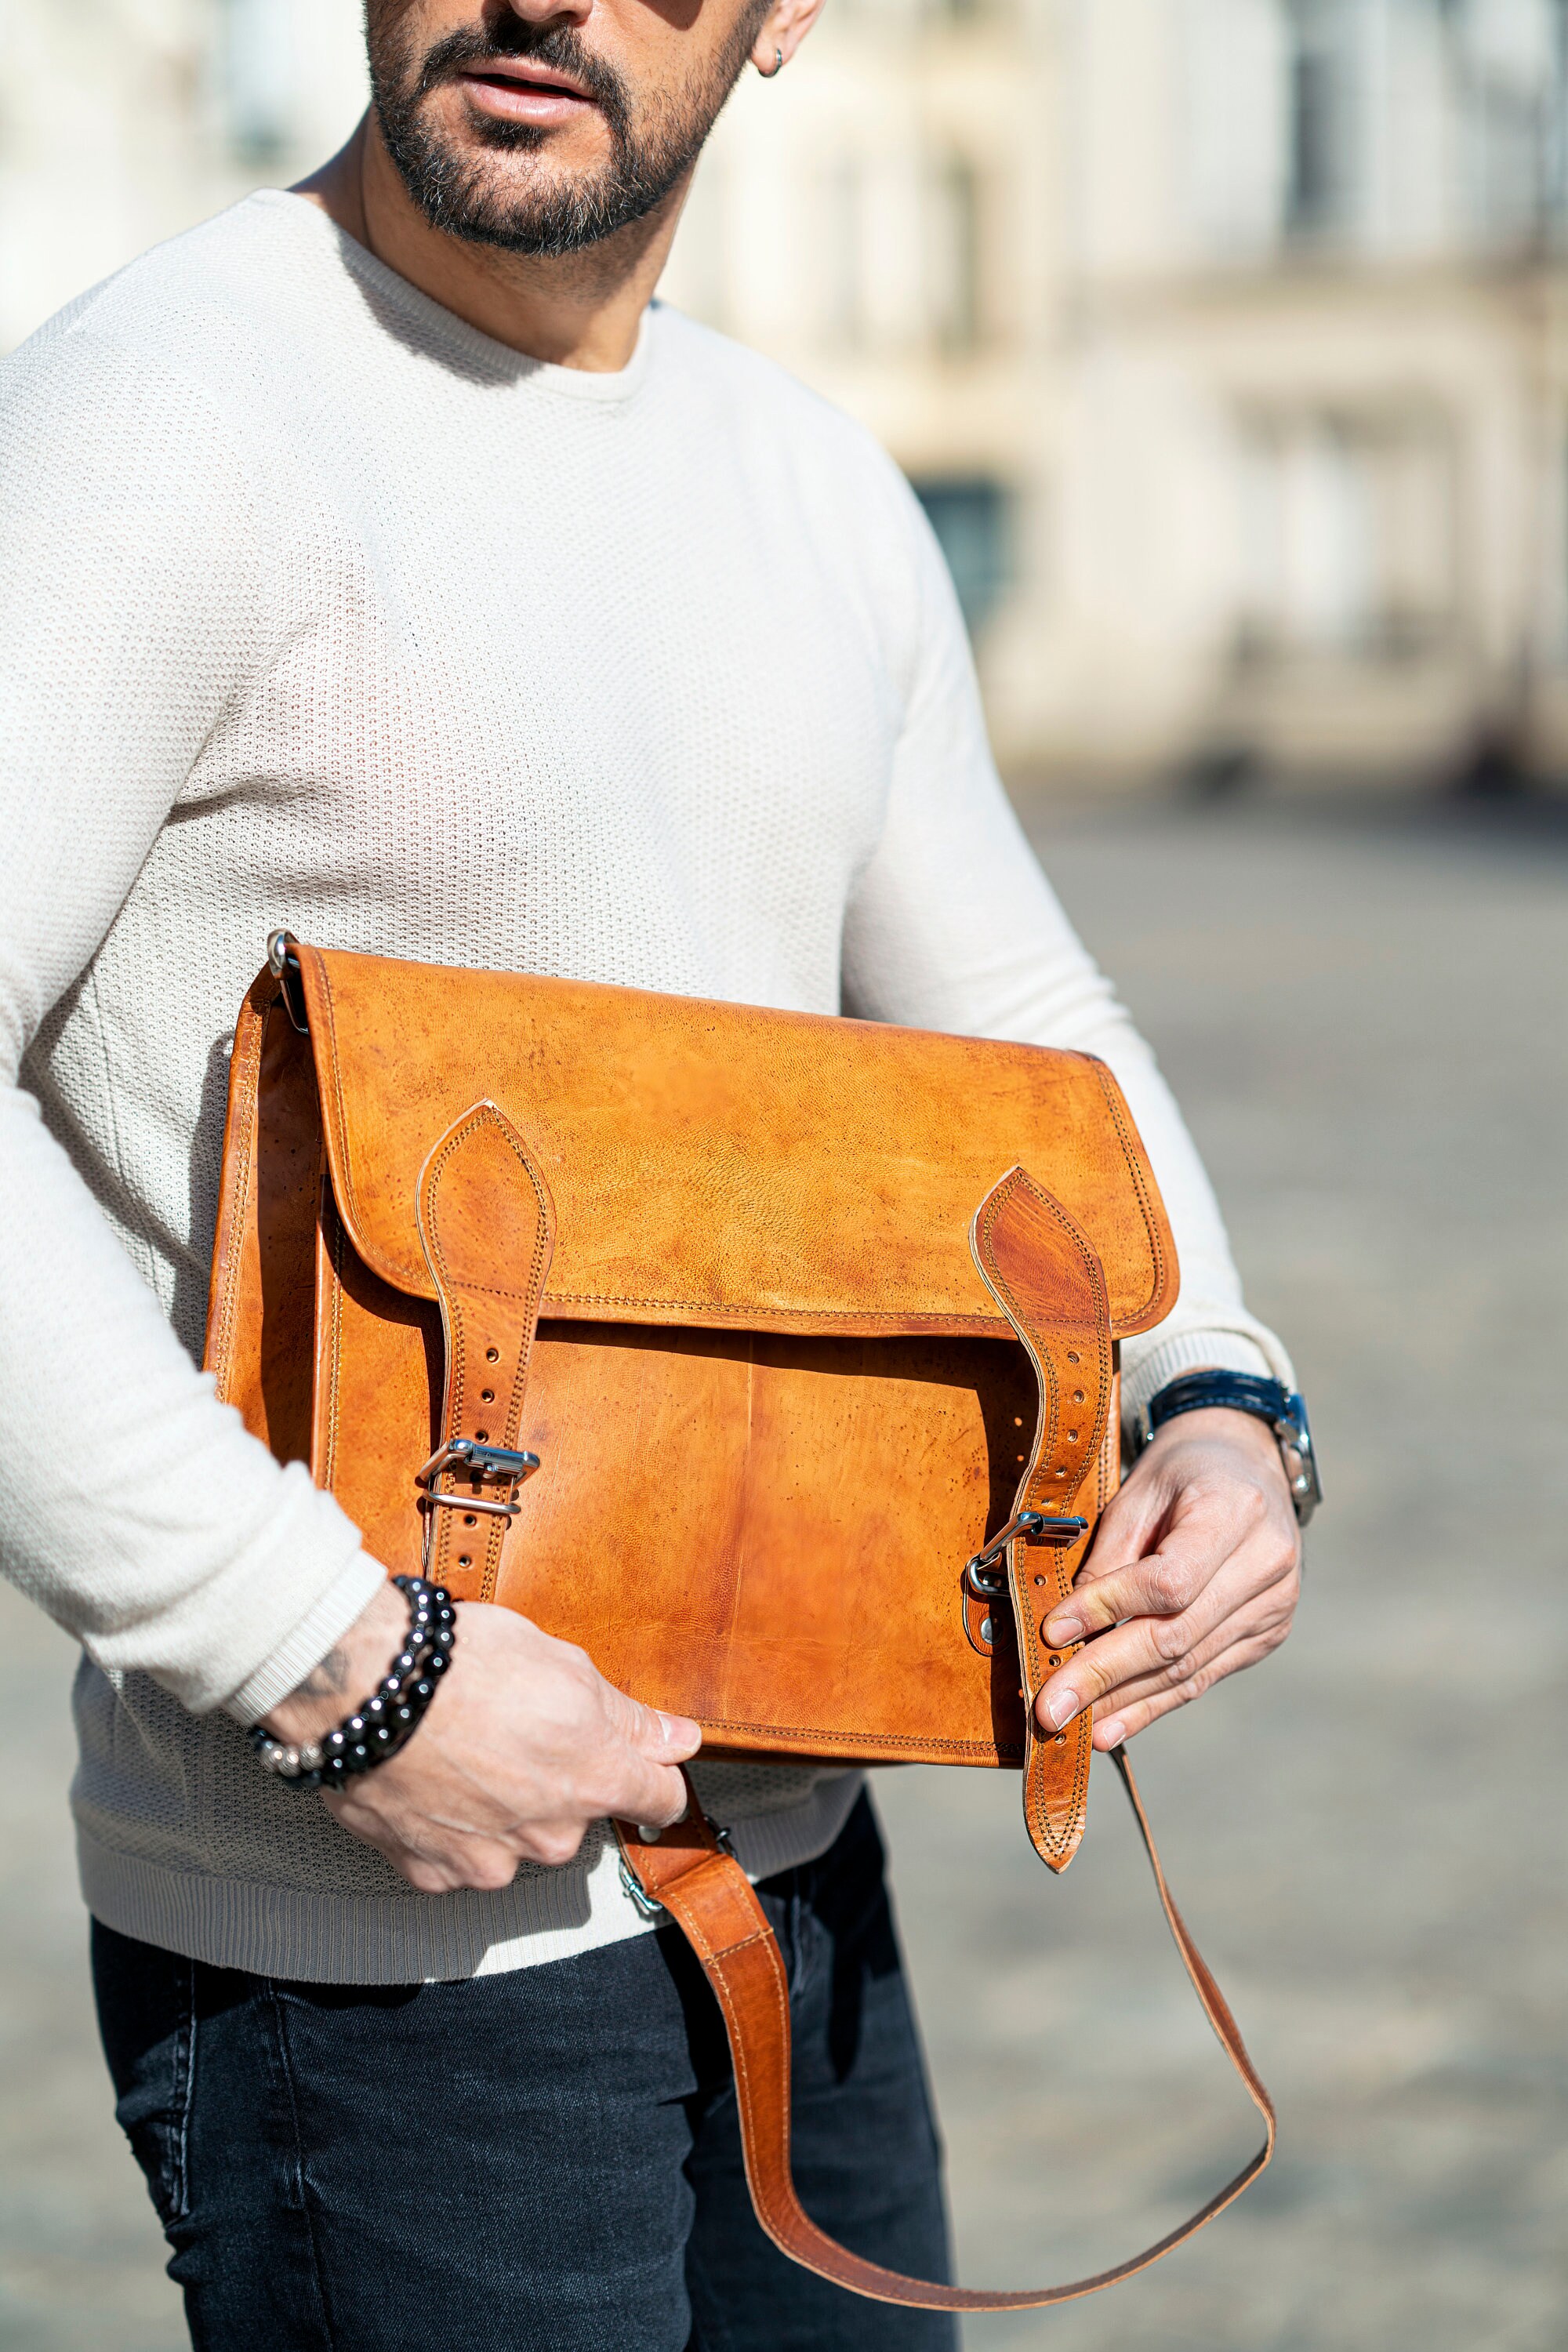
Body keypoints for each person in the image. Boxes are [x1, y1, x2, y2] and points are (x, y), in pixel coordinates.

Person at [0, 3, 1306, 2346]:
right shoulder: (150, 418)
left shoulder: (812, 483)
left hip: (800, 1870)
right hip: (376, 1969)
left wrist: (1220, 1394)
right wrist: (335, 1671)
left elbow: (1025, 1020)